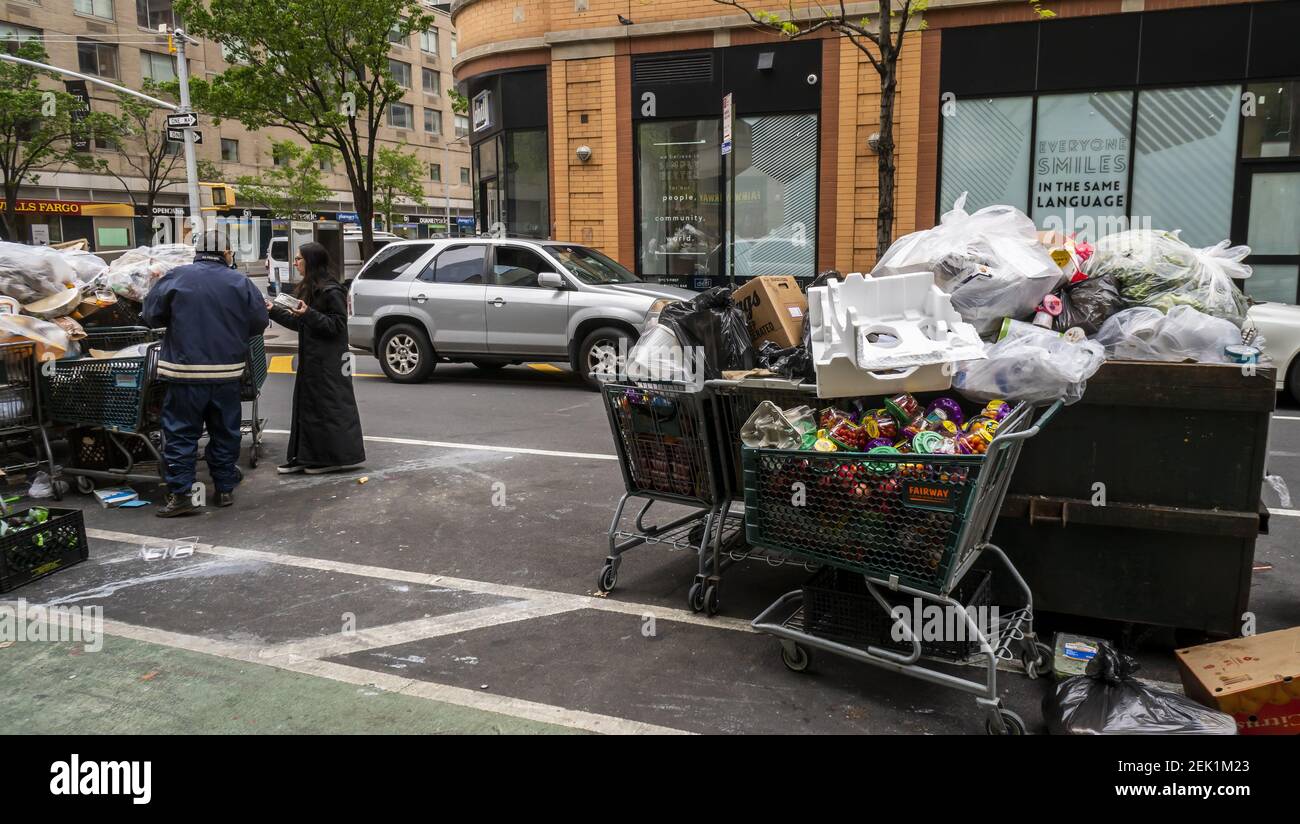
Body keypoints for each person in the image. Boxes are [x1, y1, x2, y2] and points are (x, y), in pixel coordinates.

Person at [143, 230, 269, 517]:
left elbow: (151, 315)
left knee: (181, 434)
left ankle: (182, 495)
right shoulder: (240, 282)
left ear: (198, 252)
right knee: (225, 431)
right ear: (225, 252)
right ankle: (223, 488)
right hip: (227, 373)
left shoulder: (176, 277)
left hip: (184, 373)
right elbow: (259, 321)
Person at [266, 241, 365, 474]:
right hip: (311, 360)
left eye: (299, 258)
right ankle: (304, 456)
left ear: (310, 261)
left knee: (328, 409)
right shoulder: (309, 288)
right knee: (307, 408)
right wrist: (273, 310)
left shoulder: (332, 290)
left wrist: (309, 313)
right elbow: (301, 323)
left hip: (328, 362)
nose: (295, 262)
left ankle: (328, 459)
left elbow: (337, 326)